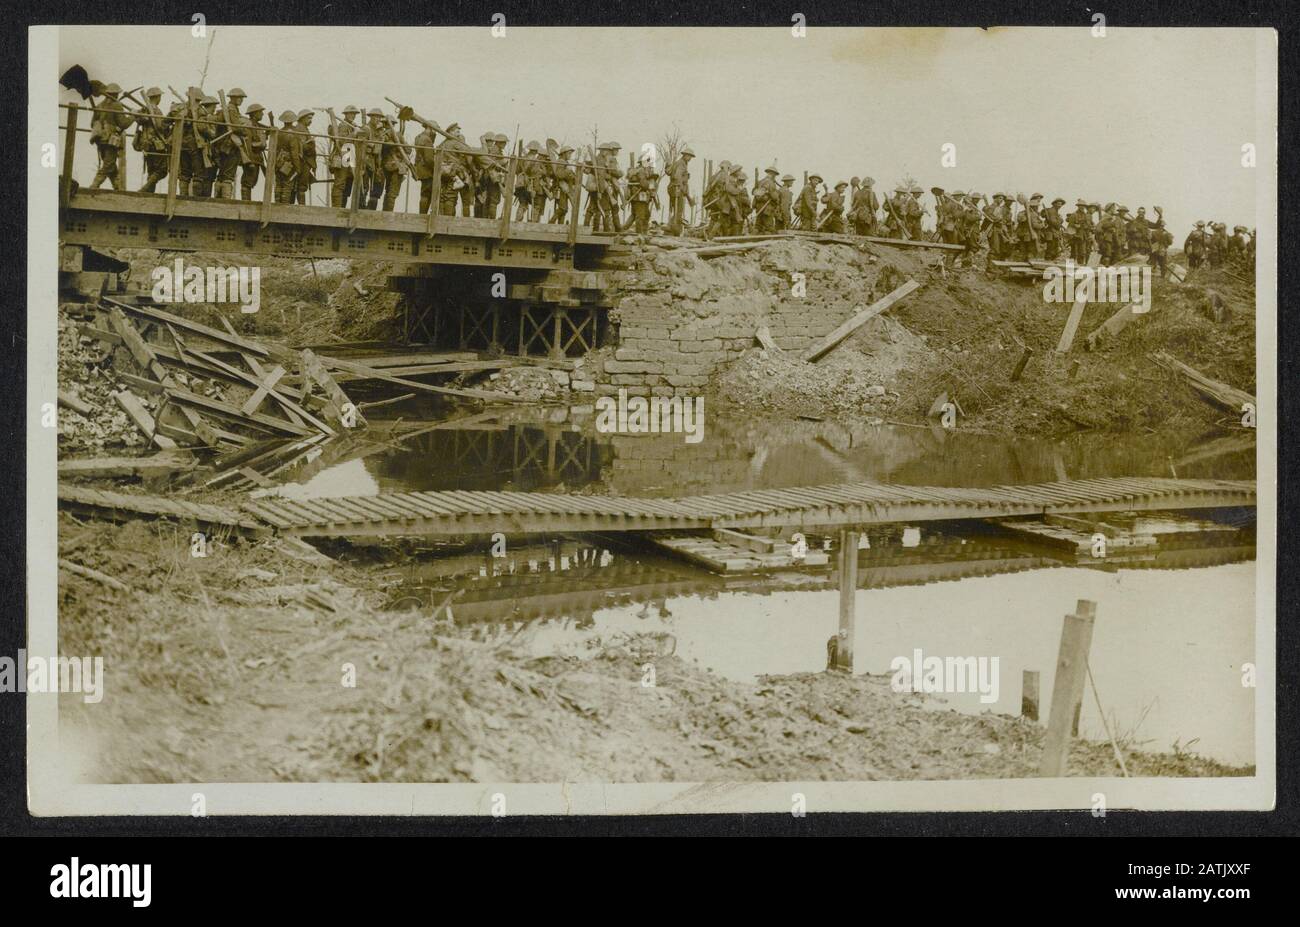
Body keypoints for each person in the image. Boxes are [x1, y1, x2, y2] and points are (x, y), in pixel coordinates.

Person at [88, 83, 133, 190]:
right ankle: (94, 185)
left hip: (100, 140)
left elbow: (92, 124)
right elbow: (123, 124)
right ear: (116, 94)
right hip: (111, 140)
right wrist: (133, 116)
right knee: (109, 164)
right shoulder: (117, 105)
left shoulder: (99, 106)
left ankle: (118, 188)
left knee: (111, 165)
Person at [134, 87, 172, 193]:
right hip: (156, 144)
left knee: (151, 171)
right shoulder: (155, 110)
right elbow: (160, 126)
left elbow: (140, 121)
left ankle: (148, 193)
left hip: (146, 144)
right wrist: (168, 122)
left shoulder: (145, 109)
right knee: (162, 170)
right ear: (157, 97)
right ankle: (145, 189)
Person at [328, 105, 363, 208]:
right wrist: (354, 133)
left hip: (350, 157)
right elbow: (342, 142)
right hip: (342, 155)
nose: (352, 116)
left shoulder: (352, 125)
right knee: (339, 183)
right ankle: (336, 208)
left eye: (354, 114)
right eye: (350, 114)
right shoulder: (343, 125)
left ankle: (341, 208)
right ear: (345, 114)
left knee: (346, 184)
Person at [239, 102, 268, 201]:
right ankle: (246, 203)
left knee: (252, 180)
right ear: (255, 114)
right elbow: (248, 143)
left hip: (256, 158)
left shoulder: (256, 125)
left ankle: (247, 202)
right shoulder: (249, 125)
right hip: (251, 158)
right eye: (260, 112)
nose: (262, 114)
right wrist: (249, 160)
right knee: (248, 180)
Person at [272, 109, 301, 203]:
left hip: (278, 162)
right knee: (287, 185)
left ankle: (277, 205)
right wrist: (297, 167)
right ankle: (283, 207)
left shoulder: (278, 132)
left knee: (279, 184)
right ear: (292, 121)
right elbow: (294, 153)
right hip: (289, 163)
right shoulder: (292, 134)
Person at [665, 145, 694, 235]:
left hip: (673, 188)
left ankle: (670, 228)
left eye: (690, 157)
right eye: (689, 156)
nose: (690, 158)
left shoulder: (679, 163)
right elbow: (678, 177)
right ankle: (671, 227)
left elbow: (669, 172)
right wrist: (682, 190)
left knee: (677, 210)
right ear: (685, 155)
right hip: (677, 189)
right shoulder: (681, 163)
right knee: (679, 211)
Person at [753, 165, 780, 233]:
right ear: (773, 174)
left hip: (759, 206)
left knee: (758, 225)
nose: (775, 176)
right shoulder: (771, 183)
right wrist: (777, 195)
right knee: (769, 226)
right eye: (775, 175)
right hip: (766, 207)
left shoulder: (761, 181)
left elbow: (754, 192)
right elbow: (774, 196)